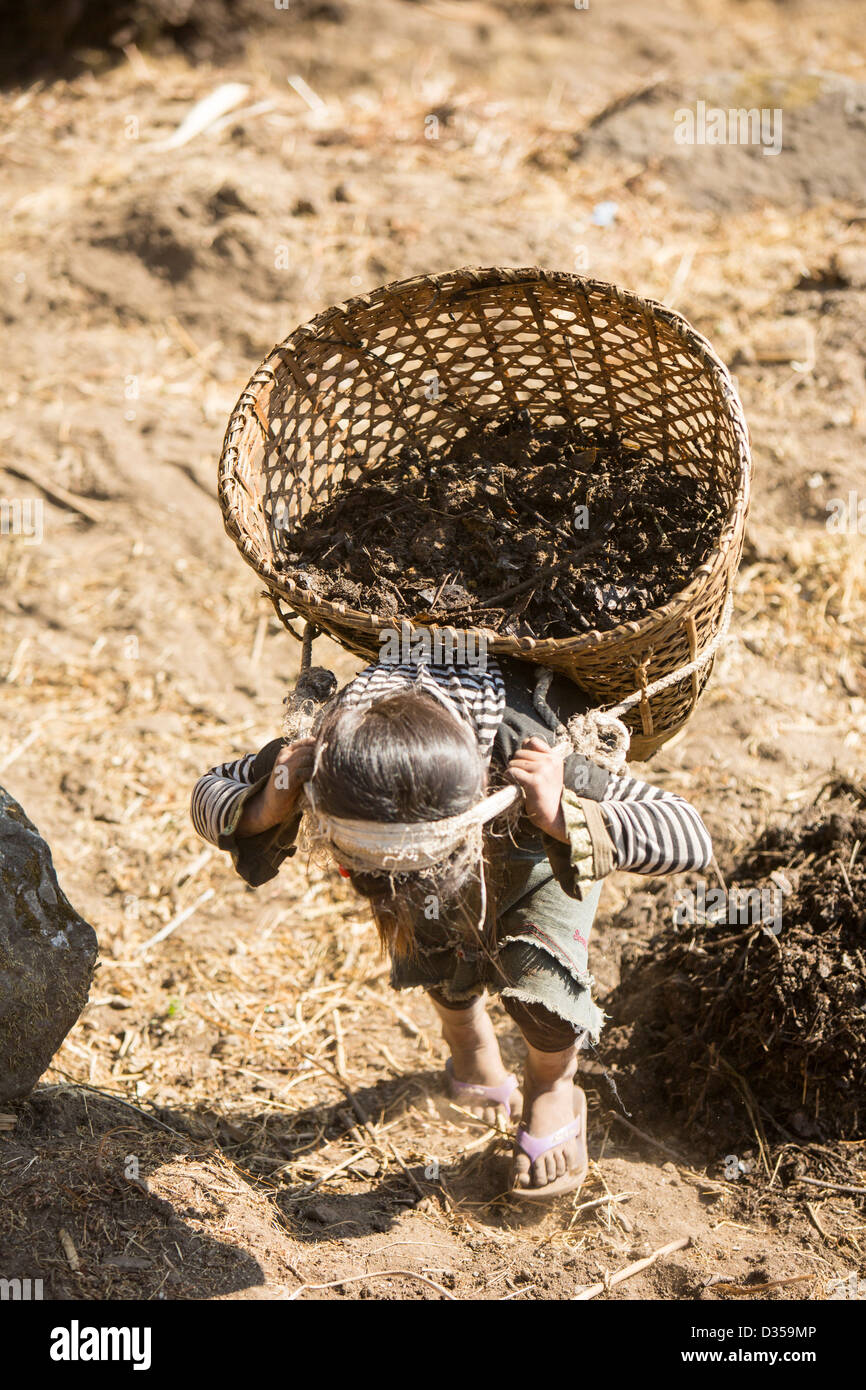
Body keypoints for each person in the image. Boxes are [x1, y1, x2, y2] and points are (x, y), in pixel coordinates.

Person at [191, 652, 712, 1198]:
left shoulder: (528, 744)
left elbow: (690, 835)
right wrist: (265, 805)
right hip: (439, 870)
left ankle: (552, 1080)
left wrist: (560, 811)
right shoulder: (335, 750)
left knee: (537, 978)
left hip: (536, 858)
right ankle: (468, 1043)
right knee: (428, 936)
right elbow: (208, 790)